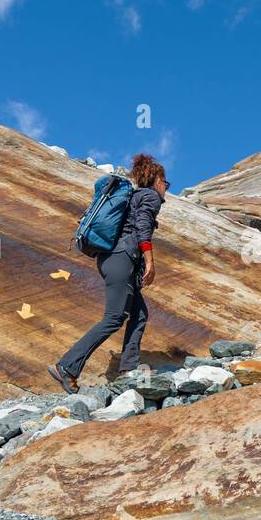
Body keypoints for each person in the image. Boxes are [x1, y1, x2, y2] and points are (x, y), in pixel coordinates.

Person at [49, 153, 168, 390]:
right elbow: (143, 227)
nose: (166, 188)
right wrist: (150, 261)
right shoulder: (151, 197)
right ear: (156, 180)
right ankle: (67, 365)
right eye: (166, 182)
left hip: (111, 260)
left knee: (139, 314)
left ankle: (128, 368)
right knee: (114, 318)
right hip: (121, 259)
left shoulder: (133, 196)